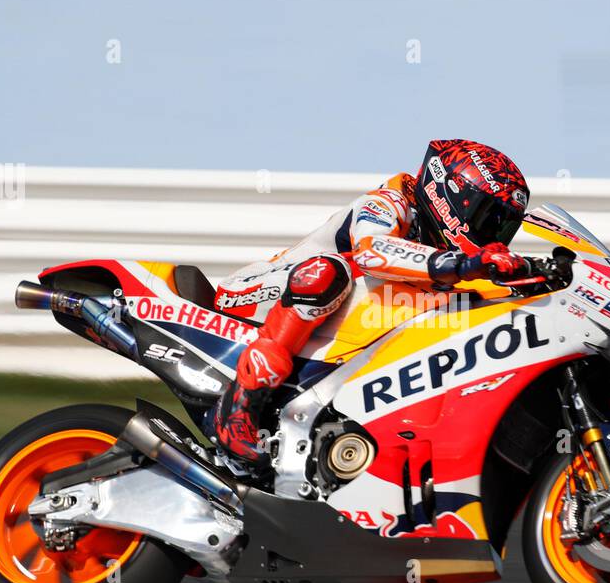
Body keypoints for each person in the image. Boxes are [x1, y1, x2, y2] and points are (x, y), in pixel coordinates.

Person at [209, 139, 533, 470]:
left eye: (503, 227)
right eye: (488, 217)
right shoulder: (389, 201)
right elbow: (372, 252)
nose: (492, 236)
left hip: (330, 320)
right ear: (448, 193)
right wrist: (463, 265)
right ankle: (239, 409)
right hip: (255, 296)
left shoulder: (447, 252)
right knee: (327, 273)